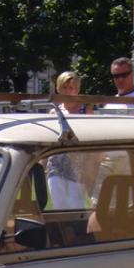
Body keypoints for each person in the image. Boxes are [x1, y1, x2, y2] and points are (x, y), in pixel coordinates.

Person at [46, 72, 89, 209]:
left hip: (78, 164)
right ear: (59, 89)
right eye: (65, 87)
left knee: (76, 204)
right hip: (56, 164)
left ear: (77, 89)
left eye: (72, 87)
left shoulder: (85, 109)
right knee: (59, 204)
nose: (68, 91)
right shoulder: (54, 111)